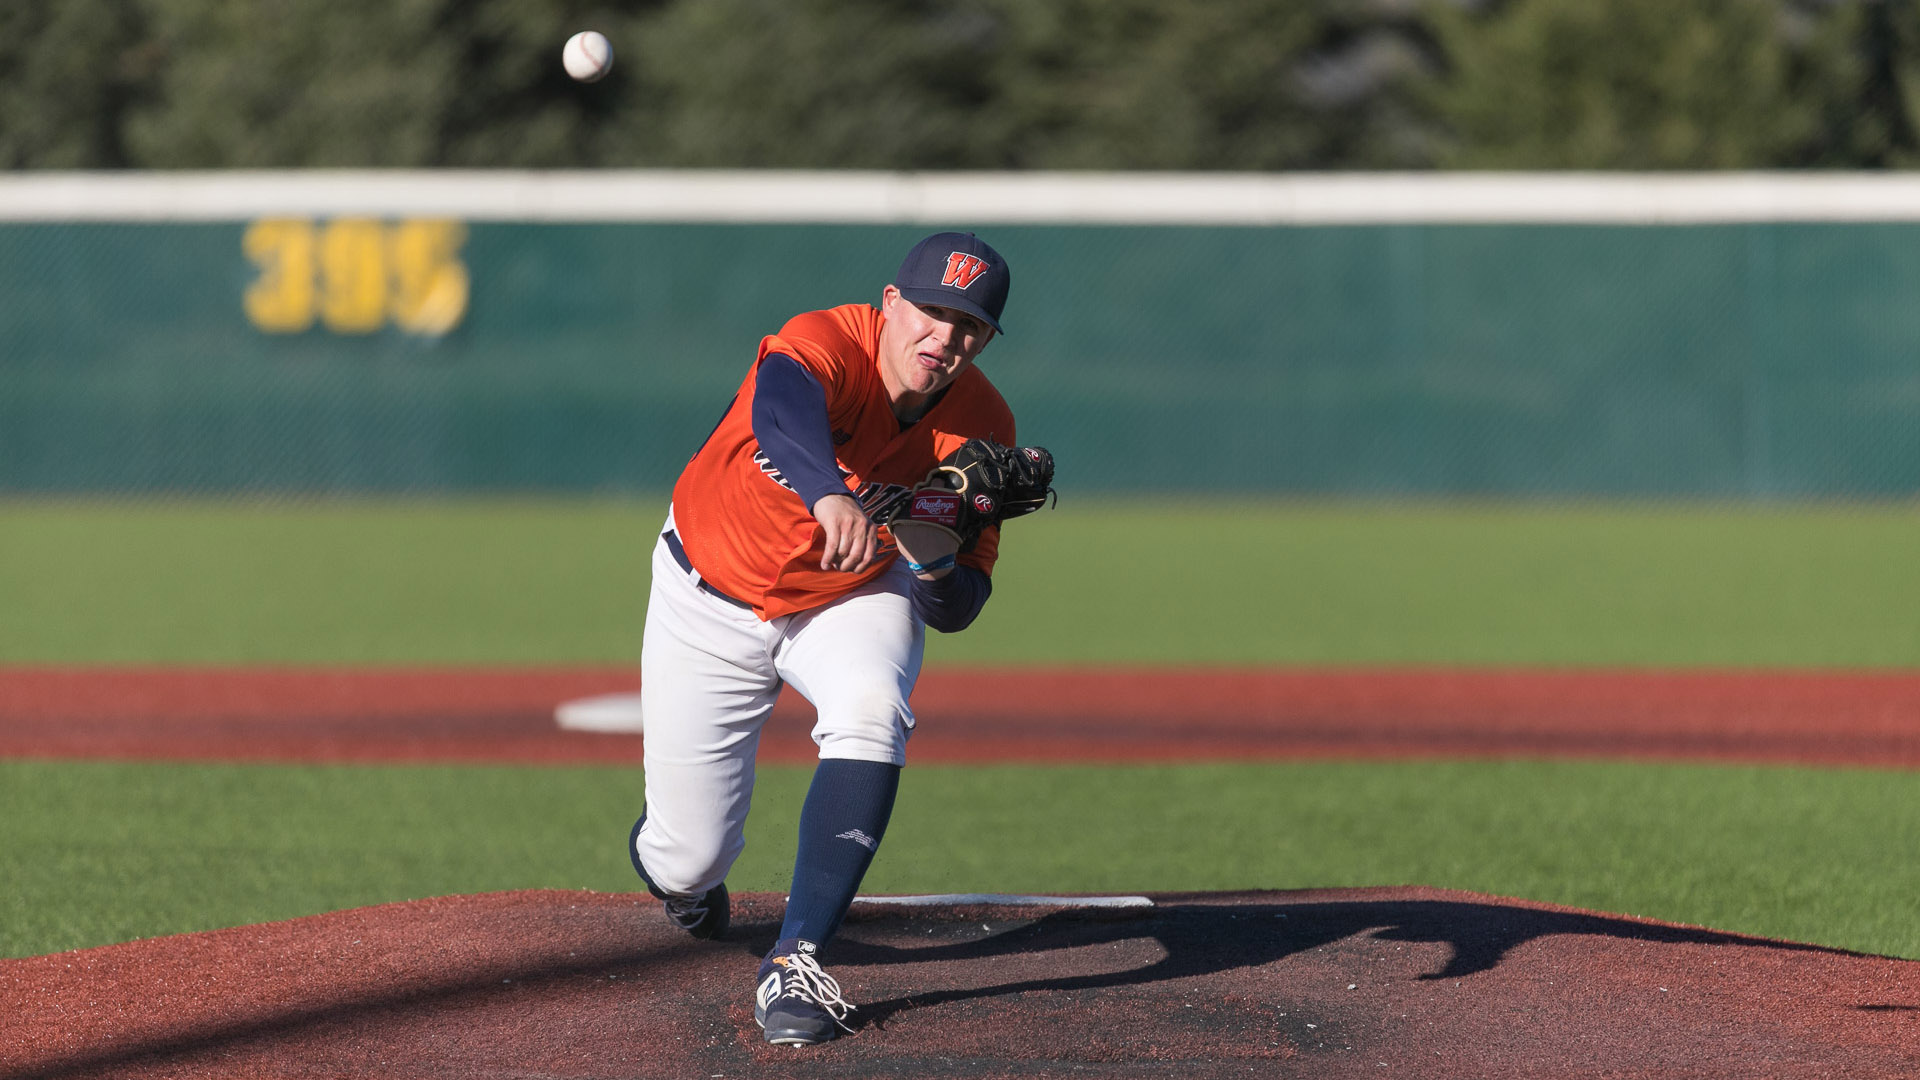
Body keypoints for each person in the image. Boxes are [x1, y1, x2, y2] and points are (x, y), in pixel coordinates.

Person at [628, 232, 1027, 1046]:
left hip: (852, 596)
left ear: (986, 340)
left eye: (969, 326)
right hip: (709, 594)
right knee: (688, 859)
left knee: (873, 708)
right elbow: (780, 407)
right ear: (890, 303)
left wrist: (935, 560)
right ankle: (682, 878)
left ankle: (797, 959)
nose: (944, 337)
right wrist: (827, 491)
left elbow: (959, 606)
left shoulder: (983, 425)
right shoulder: (827, 340)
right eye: (931, 311)